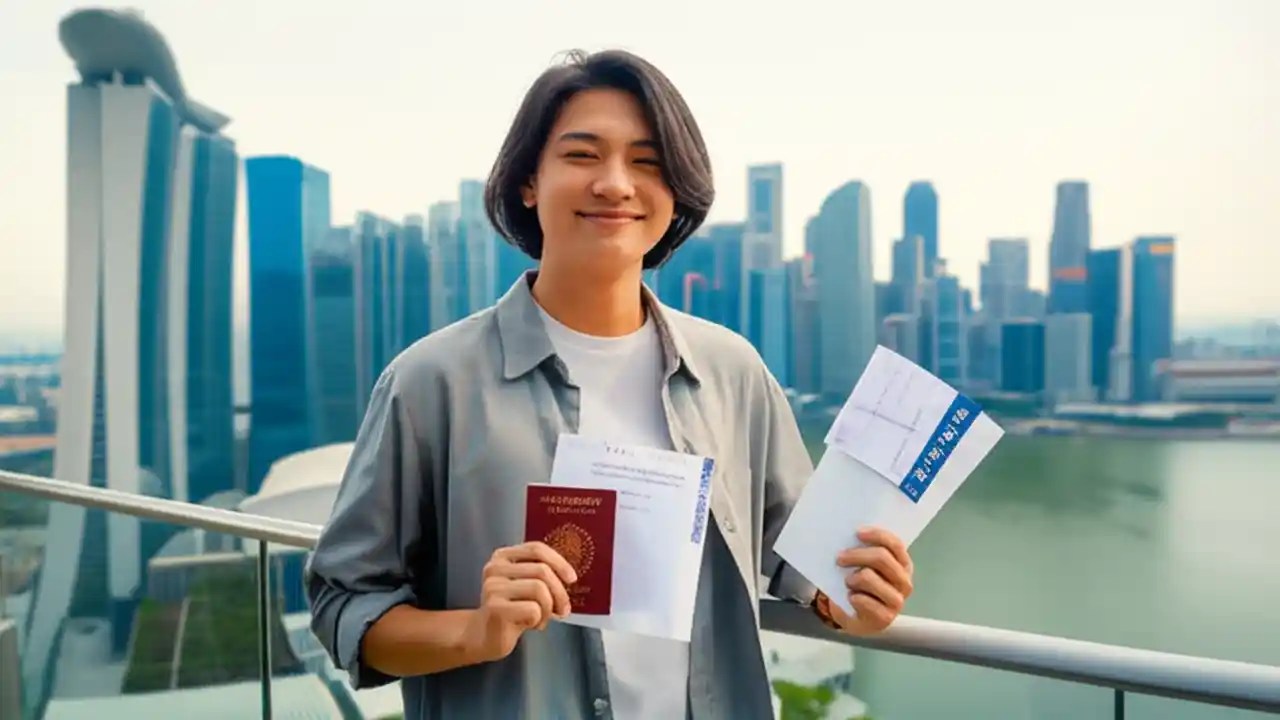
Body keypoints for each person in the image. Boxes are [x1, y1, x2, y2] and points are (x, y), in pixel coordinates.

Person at [306, 48, 915, 720]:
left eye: (648, 162)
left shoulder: (732, 370)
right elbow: (345, 604)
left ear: (675, 191)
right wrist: (476, 629)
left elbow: (797, 554)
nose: (616, 184)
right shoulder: (431, 383)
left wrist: (848, 596)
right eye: (582, 155)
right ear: (529, 181)